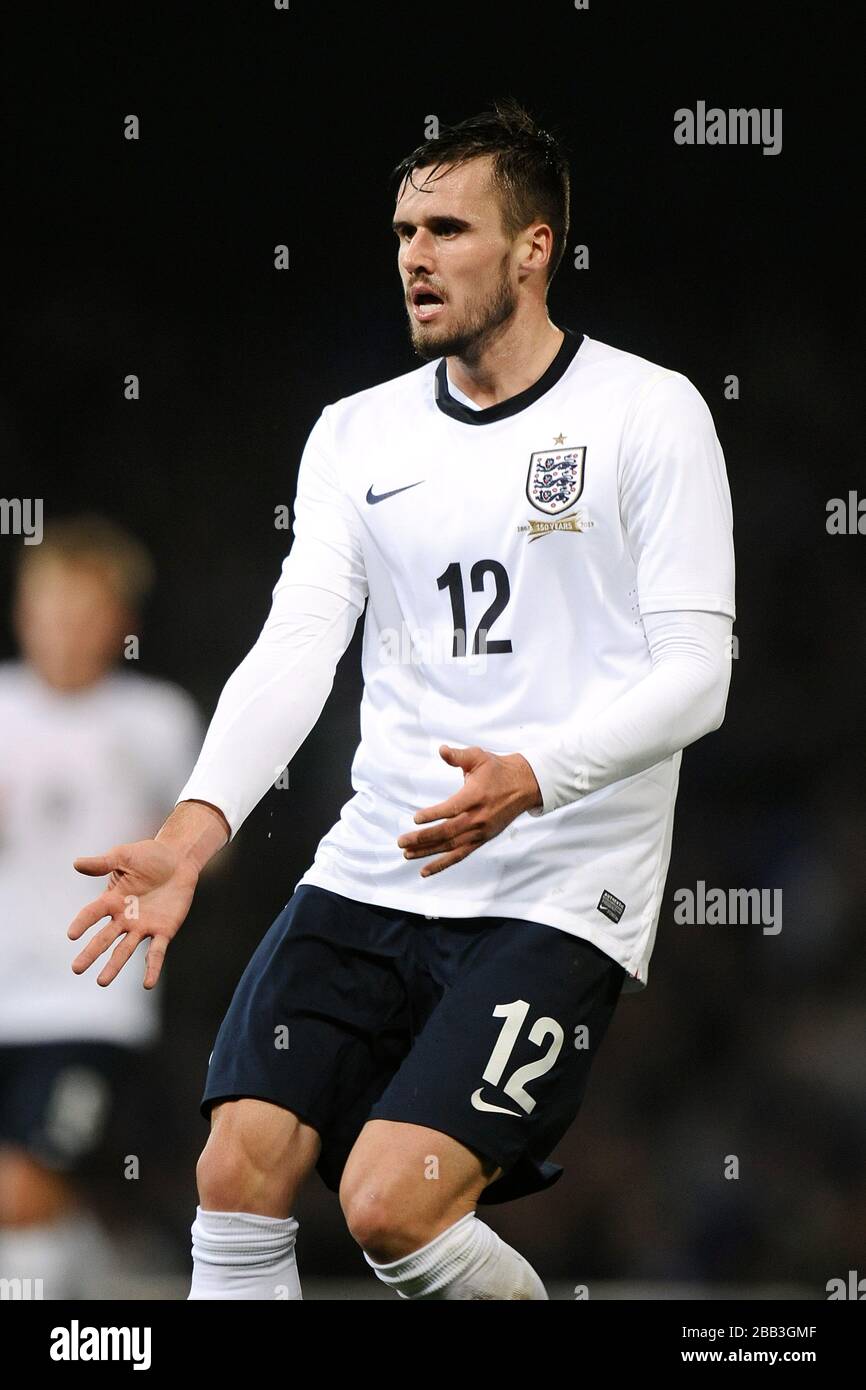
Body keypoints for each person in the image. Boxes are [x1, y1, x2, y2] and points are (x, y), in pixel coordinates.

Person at [67, 98, 736, 1301]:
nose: (413, 258)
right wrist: (192, 829)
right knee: (235, 1166)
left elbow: (699, 672)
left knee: (389, 1204)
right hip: (378, 864)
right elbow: (296, 644)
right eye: (400, 232)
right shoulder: (354, 434)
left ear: (533, 248)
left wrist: (536, 776)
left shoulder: (649, 412)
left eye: (446, 228)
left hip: (557, 882)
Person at [0, 515, 202, 1298]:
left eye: (86, 611)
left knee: (23, 1191)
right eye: (49, 608)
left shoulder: (155, 721)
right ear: (23, 612)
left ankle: (104, 1283)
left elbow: (208, 861)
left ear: (122, 622)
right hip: (5, 993)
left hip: (93, 1002)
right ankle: (117, 1272)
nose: (65, 629)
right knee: (29, 1212)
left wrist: (162, 859)